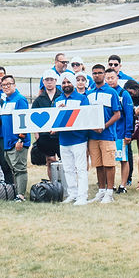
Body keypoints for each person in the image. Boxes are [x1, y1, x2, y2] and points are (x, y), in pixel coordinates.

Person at [85, 64, 122, 203]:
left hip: (107, 135)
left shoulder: (111, 92)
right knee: (98, 164)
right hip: (93, 135)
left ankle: (110, 192)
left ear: (104, 75)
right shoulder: (89, 93)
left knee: (109, 164)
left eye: (100, 73)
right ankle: (101, 190)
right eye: (94, 73)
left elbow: (117, 114)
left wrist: (104, 126)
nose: (97, 75)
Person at [57, 72, 94, 204]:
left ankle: (82, 196)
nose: (66, 85)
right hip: (63, 139)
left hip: (79, 139)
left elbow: (85, 117)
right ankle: (72, 193)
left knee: (81, 169)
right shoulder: (57, 100)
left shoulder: (82, 98)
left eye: (68, 82)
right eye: (64, 83)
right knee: (68, 169)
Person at [0, 73, 31, 197]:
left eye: (8, 84)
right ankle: (17, 192)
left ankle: (21, 195)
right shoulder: (6, 101)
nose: (6, 87)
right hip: (7, 142)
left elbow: (24, 121)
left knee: (20, 169)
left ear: (14, 85)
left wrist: (20, 139)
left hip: (17, 141)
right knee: (14, 169)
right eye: (3, 85)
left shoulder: (20, 99)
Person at [30, 71, 62, 167]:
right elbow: (32, 116)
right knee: (50, 161)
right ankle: (53, 181)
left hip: (60, 135)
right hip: (45, 136)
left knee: (65, 160)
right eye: (47, 80)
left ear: (55, 81)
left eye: (51, 80)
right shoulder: (39, 100)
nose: (49, 82)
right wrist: (37, 135)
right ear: (43, 82)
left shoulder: (61, 97)